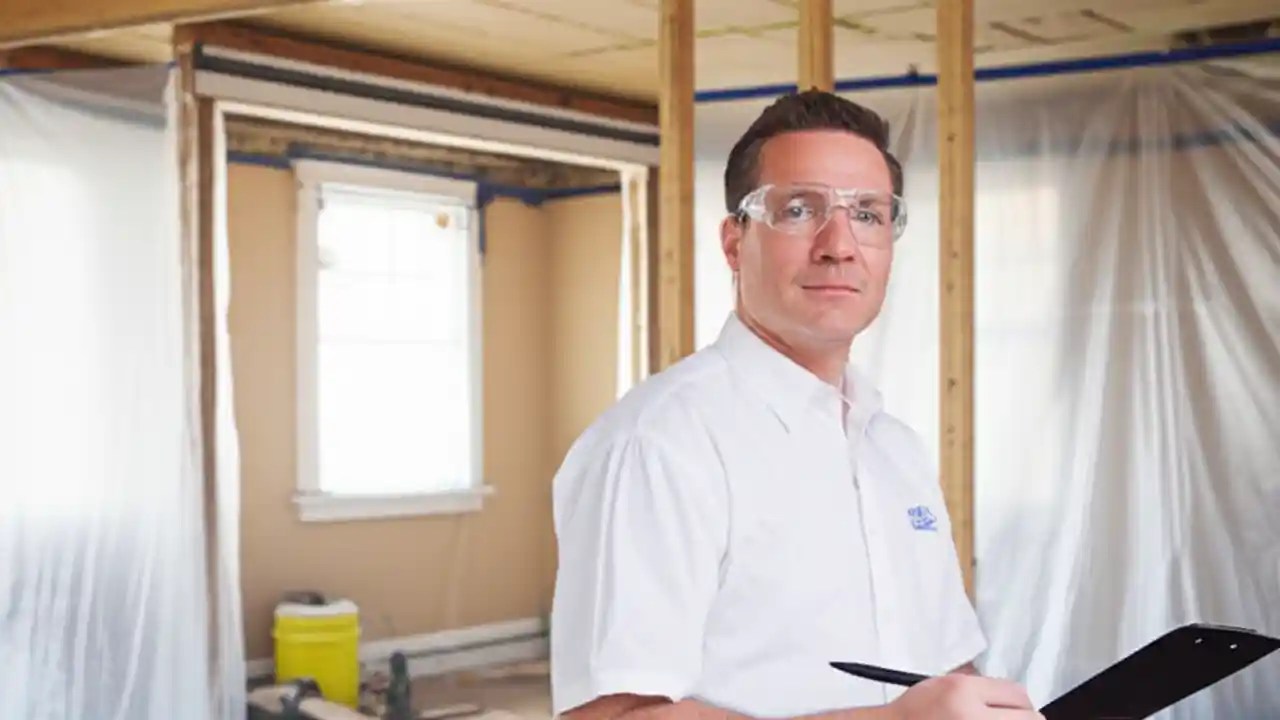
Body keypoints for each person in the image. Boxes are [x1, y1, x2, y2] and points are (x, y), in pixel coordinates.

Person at [548, 90, 1041, 720]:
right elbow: (611, 717)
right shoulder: (658, 445)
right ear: (734, 243)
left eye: (867, 214)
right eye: (800, 209)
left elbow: (942, 670)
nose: (839, 244)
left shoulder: (894, 449)